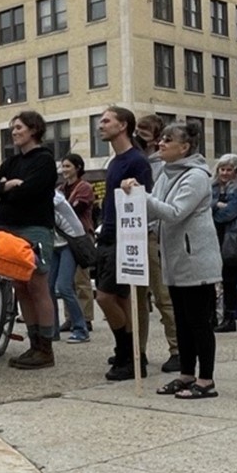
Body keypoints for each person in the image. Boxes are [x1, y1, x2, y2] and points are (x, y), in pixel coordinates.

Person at [122, 122, 222, 399]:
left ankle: (206, 380)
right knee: (182, 321)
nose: (161, 143)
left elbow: (176, 212)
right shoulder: (166, 173)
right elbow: (154, 210)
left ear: (185, 147)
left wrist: (142, 195)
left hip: (196, 260)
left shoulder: (196, 176)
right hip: (174, 258)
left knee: (199, 322)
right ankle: (186, 374)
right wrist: (134, 199)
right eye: (161, 139)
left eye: (168, 140)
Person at [0, 110, 58, 369]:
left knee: (38, 286)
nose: (14, 132)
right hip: (8, 229)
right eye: (13, 128)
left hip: (34, 228)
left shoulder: (45, 160)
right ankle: (33, 343)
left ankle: (45, 348)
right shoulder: (11, 162)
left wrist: (10, 190)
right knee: (20, 287)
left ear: (34, 129)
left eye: (19, 127)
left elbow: (30, 192)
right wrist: (8, 185)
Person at [95, 107, 154, 381]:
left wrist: (136, 188)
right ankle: (132, 356)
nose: (101, 125)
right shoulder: (114, 162)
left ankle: (126, 352)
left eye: (106, 121)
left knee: (105, 297)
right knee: (120, 298)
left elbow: (146, 199)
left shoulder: (137, 161)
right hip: (108, 235)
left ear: (123, 126)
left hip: (124, 238)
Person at [135, 114, 180, 374]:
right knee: (137, 297)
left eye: (145, 131)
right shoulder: (134, 159)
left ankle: (177, 349)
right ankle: (137, 350)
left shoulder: (163, 166)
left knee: (163, 296)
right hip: (134, 233)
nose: (139, 135)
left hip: (153, 232)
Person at [212, 154, 237, 333]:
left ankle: (230, 317)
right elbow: (203, 206)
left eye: (229, 170)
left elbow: (229, 214)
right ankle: (213, 315)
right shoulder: (211, 186)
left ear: (236, 171)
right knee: (212, 279)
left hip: (232, 238)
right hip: (213, 236)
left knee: (229, 280)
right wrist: (216, 205)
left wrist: (215, 209)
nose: (225, 173)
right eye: (222, 169)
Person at [59, 153, 95, 333]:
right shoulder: (60, 189)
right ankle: (70, 317)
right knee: (67, 281)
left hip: (81, 238)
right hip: (64, 237)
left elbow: (76, 208)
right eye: (63, 166)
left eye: (68, 166)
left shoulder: (84, 187)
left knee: (81, 279)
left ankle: (86, 318)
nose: (64, 170)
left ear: (78, 168)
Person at [51, 187, 89, 344]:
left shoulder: (54, 197)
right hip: (55, 245)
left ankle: (81, 329)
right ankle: (52, 330)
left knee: (64, 286)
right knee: (48, 288)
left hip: (70, 243)